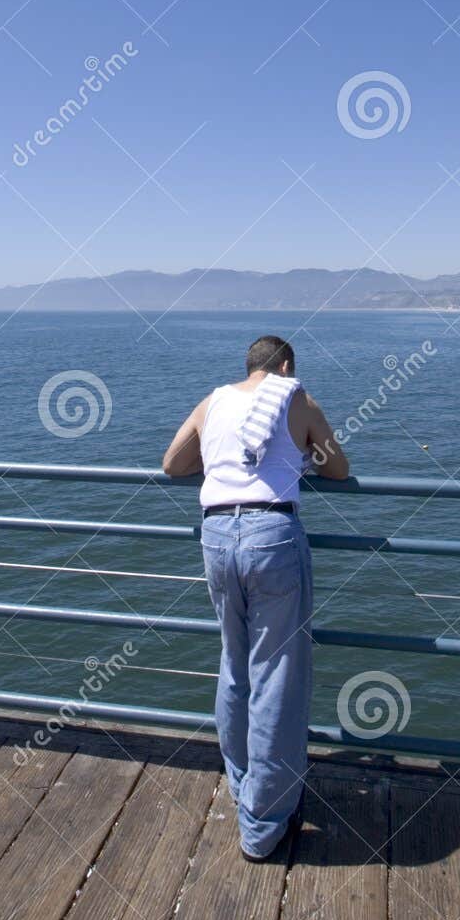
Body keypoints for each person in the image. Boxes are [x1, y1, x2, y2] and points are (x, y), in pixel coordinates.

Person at [162, 335, 349, 859]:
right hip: (272, 537)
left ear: (248, 367)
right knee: (277, 678)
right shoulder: (297, 399)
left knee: (235, 666)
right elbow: (338, 469)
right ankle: (264, 824)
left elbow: (173, 464)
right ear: (285, 365)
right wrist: (302, 455)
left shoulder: (212, 400)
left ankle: (244, 786)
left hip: (217, 537)